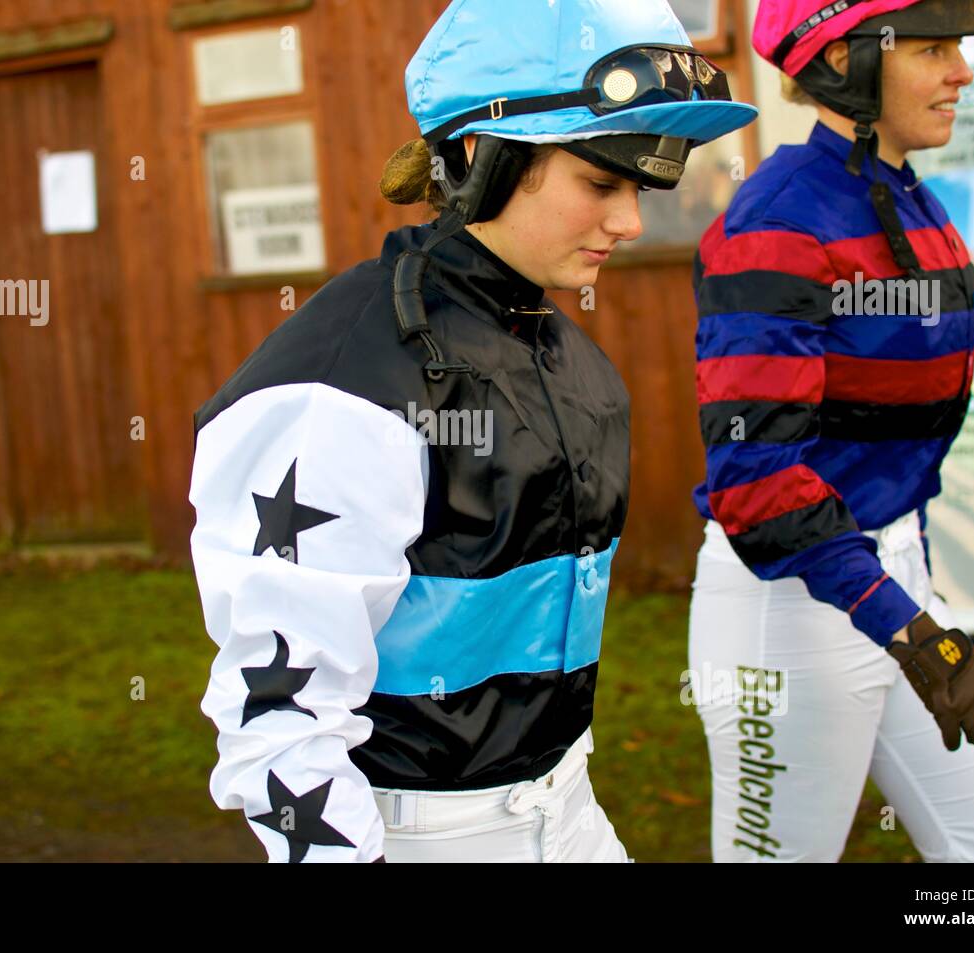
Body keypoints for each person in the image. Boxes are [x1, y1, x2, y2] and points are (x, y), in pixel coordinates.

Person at [189, 0, 756, 862]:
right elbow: (277, 718)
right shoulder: (343, 384)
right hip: (416, 834)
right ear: (486, 161)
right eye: (602, 183)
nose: (631, 221)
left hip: (569, 805)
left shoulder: (565, 352)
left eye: (641, 187)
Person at [687, 0, 974, 862]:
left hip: (887, 579)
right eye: (933, 49)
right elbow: (754, 480)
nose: (961, 71)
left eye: (958, 47)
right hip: (790, 603)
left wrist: (911, 596)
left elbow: (893, 443)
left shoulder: (896, 190)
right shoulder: (779, 215)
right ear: (845, 64)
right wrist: (910, 630)